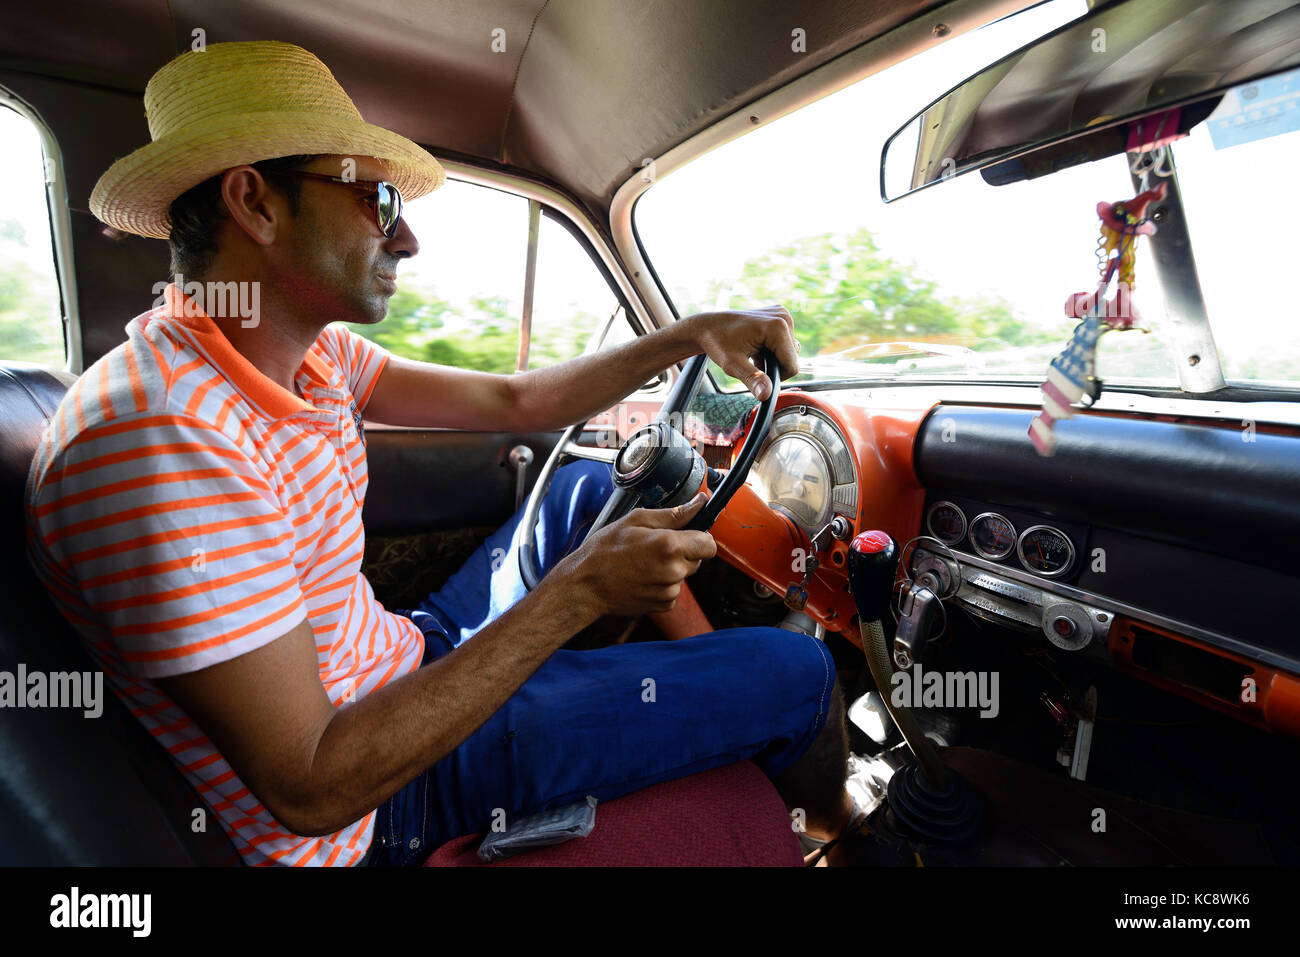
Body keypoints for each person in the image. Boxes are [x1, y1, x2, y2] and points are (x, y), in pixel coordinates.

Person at [25, 40, 851, 867]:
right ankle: (832, 831)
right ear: (256, 203)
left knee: (579, 492)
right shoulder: (163, 434)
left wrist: (686, 334)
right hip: (381, 799)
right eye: (379, 199)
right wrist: (575, 594)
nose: (408, 238)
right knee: (801, 671)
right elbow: (313, 784)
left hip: (402, 657)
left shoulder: (309, 356)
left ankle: (699, 716)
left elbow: (516, 400)